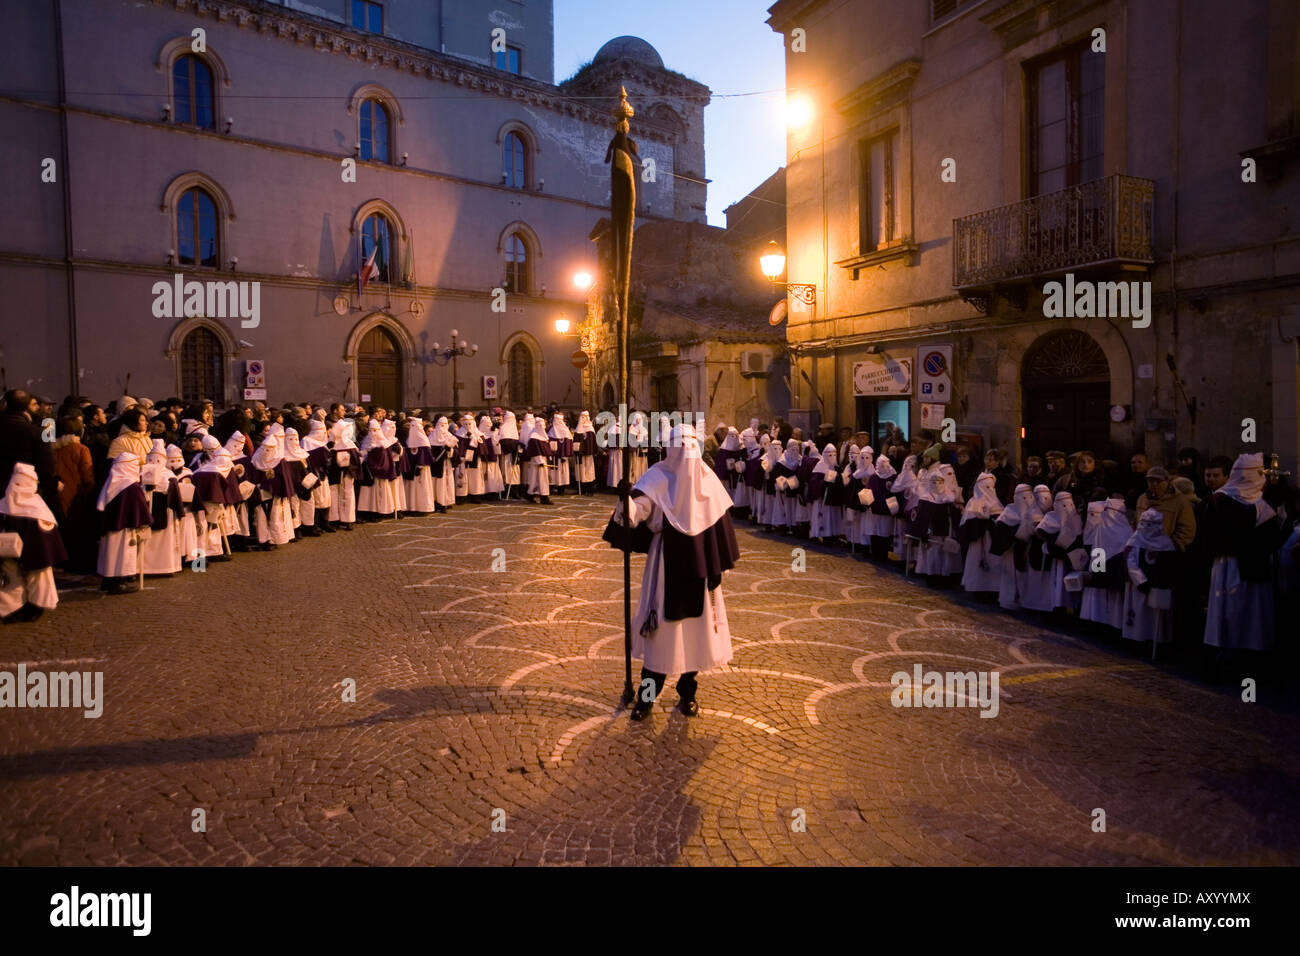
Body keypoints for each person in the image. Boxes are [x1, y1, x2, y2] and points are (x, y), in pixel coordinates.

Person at [603, 422, 741, 721]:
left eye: (691, 448)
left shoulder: (710, 483)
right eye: (681, 448)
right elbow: (636, 515)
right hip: (665, 569)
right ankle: (647, 697)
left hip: (701, 572)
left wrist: (718, 572)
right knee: (662, 637)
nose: (686, 456)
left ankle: (688, 693)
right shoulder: (657, 477)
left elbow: (720, 536)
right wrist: (626, 499)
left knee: (696, 635)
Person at [1202, 453, 1289, 654]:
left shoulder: (1263, 502)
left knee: (1254, 614)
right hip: (1230, 563)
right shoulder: (1221, 499)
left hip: (1253, 565)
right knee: (1233, 612)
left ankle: (1249, 652)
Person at [0, 463, 66, 622]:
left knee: (38, 578)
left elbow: (43, 536)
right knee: (12, 579)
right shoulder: (34, 506)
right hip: (11, 552)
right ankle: (14, 608)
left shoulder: (36, 508)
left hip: (34, 554)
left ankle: (35, 606)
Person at [96, 452, 152, 594]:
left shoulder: (112, 480)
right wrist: (146, 519)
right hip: (124, 527)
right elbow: (139, 505)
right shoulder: (130, 485)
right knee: (122, 554)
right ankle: (118, 581)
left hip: (111, 525)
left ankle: (107, 580)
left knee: (109, 553)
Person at [1122, 508, 1178, 649]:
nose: (1146, 528)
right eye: (1144, 524)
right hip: (1139, 586)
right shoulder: (1135, 540)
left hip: (1157, 587)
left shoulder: (1166, 543)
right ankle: (1136, 640)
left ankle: (1155, 641)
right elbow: (1131, 562)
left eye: (1150, 524)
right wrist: (1140, 580)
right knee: (1139, 615)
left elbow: (1170, 565)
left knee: (1155, 617)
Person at [1079, 495, 1130, 631]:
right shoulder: (1103, 530)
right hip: (1103, 572)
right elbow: (1098, 549)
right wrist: (1099, 573)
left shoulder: (1126, 531)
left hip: (1116, 573)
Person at [139, 439, 183, 575]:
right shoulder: (167, 475)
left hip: (159, 508)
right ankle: (153, 566)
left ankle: (155, 566)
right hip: (158, 509)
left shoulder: (166, 475)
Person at [959, 471, 1004, 596]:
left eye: (990, 487)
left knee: (994, 562)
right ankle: (978, 588)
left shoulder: (997, 502)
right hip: (978, 540)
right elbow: (967, 523)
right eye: (985, 487)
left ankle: (994, 589)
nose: (988, 490)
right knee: (976, 562)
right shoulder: (973, 503)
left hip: (991, 539)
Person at [1135, 466, 1196, 551]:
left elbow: (1187, 529)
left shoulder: (1180, 501)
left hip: (1167, 552)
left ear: (1167, 481)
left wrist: (1173, 545)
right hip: (1143, 548)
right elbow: (1136, 523)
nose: (1155, 484)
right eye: (1151, 480)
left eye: (1159, 481)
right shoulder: (1142, 499)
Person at [327, 418, 360, 529]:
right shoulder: (331, 444)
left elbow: (356, 460)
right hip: (335, 474)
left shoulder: (350, 444)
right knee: (334, 495)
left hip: (347, 474)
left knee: (348, 495)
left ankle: (348, 519)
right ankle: (334, 518)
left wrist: (349, 467)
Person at [808, 444, 843, 543]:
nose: (832, 458)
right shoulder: (820, 467)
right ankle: (824, 535)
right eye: (829, 455)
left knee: (833, 517)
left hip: (833, 498)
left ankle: (834, 535)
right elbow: (814, 483)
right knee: (824, 517)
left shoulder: (836, 467)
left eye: (834, 455)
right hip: (822, 499)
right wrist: (824, 482)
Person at [572, 411, 597, 495]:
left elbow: (592, 443)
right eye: (582, 417)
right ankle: (581, 489)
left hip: (588, 455)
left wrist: (589, 450)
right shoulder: (578, 429)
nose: (583, 419)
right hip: (580, 455)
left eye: (585, 417)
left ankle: (590, 489)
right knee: (580, 471)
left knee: (588, 471)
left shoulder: (590, 429)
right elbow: (575, 440)